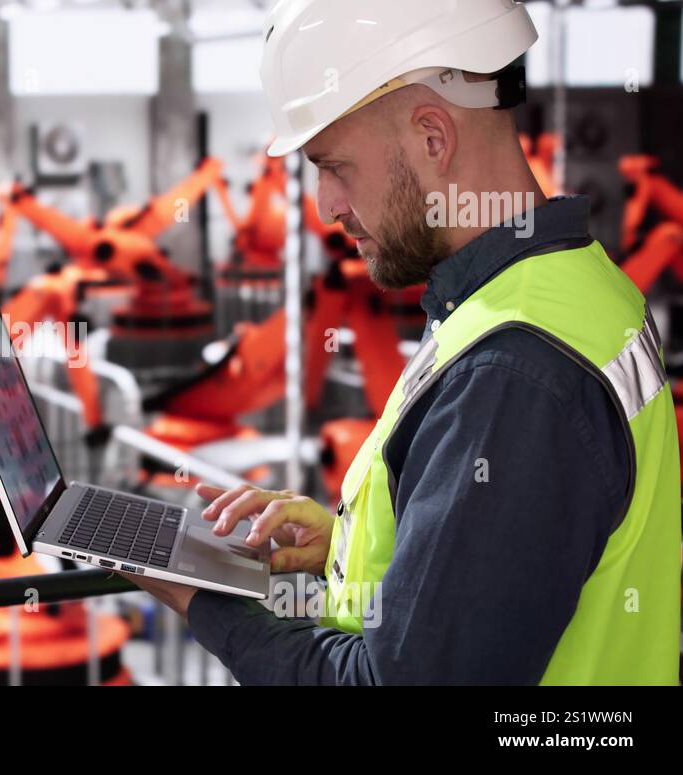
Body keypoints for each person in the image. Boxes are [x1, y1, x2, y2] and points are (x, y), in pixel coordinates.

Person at [127, 0, 681, 684]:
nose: (326, 204)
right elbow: (521, 565)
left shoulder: (512, 371)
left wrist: (205, 598)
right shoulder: (577, 287)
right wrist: (357, 548)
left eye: (334, 166)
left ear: (431, 137)